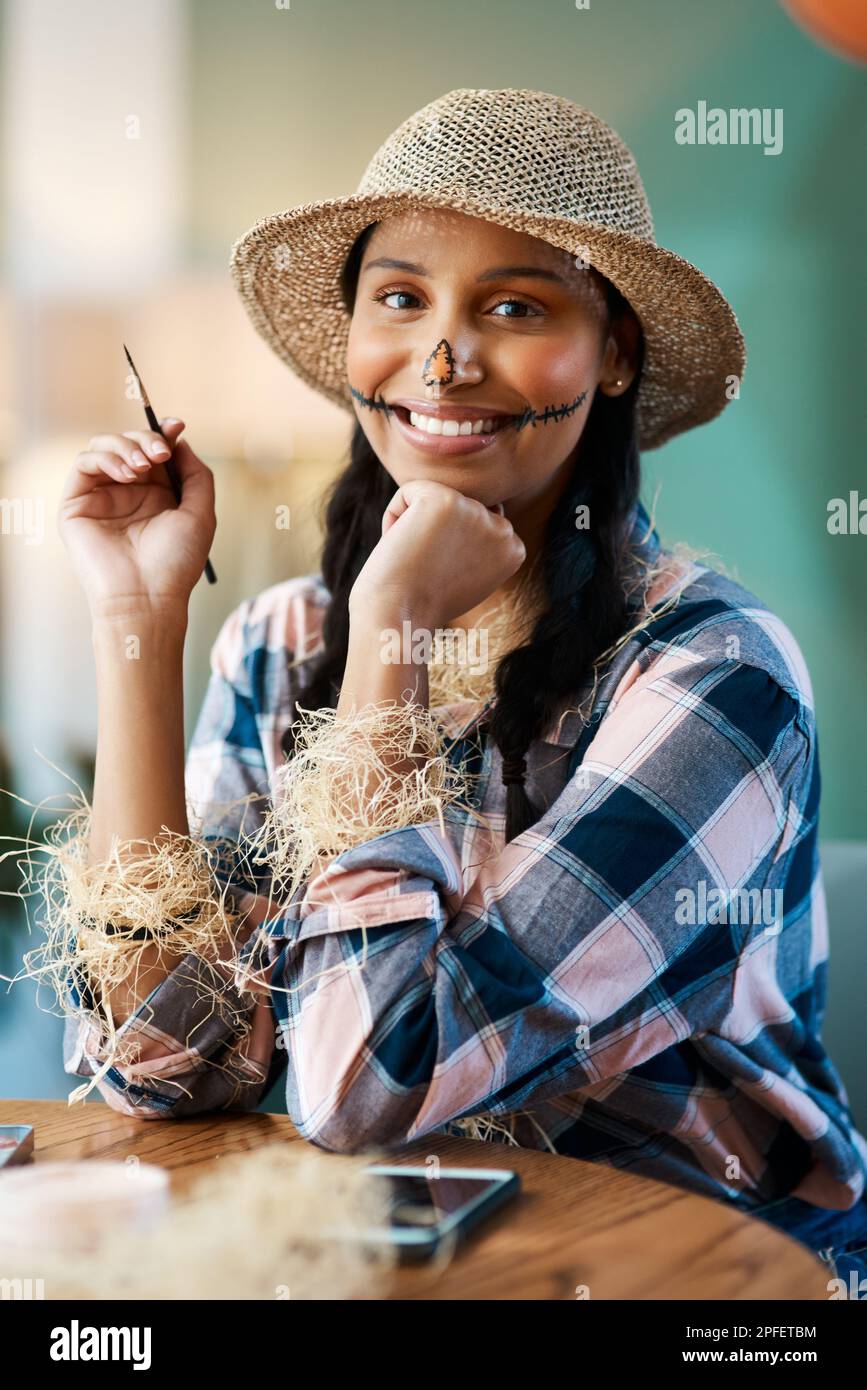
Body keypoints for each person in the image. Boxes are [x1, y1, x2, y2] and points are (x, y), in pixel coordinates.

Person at [57, 88, 867, 1289]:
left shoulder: (718, 675)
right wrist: (140, 616)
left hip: (699, 1273)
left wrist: (394, 634)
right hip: (409, 1261)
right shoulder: (281, 643)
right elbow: (167, 1066)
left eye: (515, 306)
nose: (445, 356)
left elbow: (365, 1082)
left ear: (616, 353)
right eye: (401, 299)